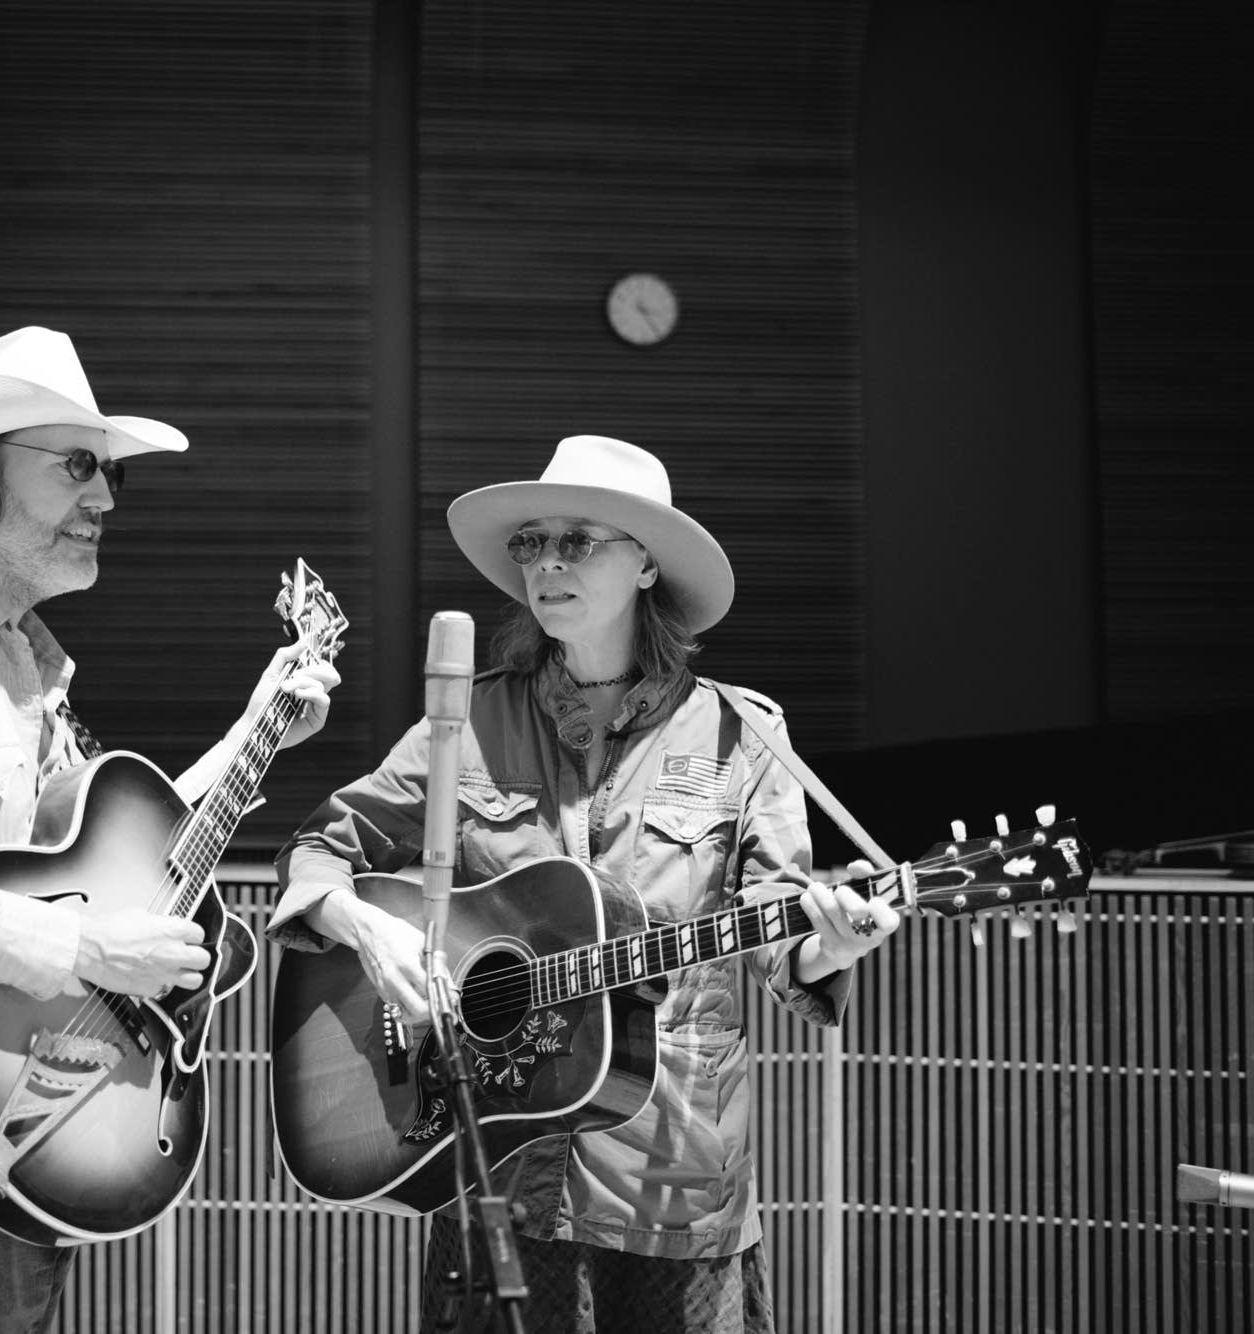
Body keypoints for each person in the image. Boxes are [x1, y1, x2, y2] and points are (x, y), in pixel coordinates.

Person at [270, 435, 899, 1333]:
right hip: (494, 1165)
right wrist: (371, 931)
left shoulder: (743, 736)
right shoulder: (471, 717)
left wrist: (823, 945)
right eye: (532, 543)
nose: (547, 563)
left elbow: (775, 931)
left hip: (672, 1183)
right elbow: (320, 850)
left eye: (579, 542)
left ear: (647, 564)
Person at [0, 326, 340, 1333]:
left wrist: (258, 730)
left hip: (2, 1118)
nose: (104, 499)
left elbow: (120, 864)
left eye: (108, 474)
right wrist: (86, 948)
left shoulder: (23, 668)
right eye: (76, 466)